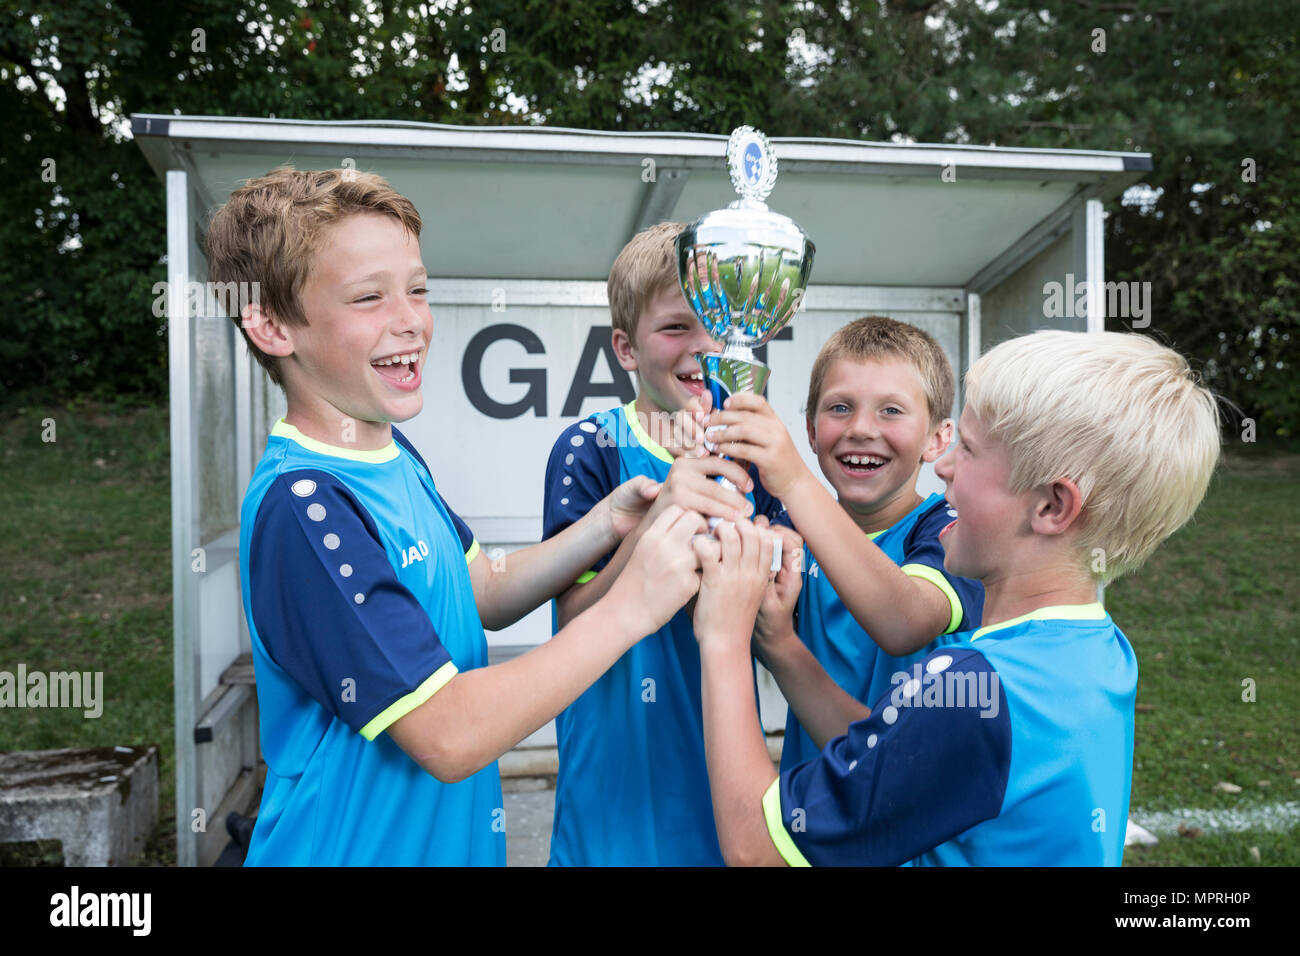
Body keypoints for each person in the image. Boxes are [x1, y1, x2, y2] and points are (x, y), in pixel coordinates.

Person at [209, 167, 706, 865]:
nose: (408, 318)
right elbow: (447, 735)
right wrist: (633, 606)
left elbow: (483, 590)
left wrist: (609, 523)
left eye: (417, 289)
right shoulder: (304, 505)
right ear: (271, 325)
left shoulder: (391, 453)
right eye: (367, 297)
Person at [692, 330, 1220, 865]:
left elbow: (755, 851)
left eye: (968, 449)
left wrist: (722, 636)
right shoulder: (1098, 649)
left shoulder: (978, 689)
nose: (942, 466)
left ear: (1052, 506)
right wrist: (780, 643)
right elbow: (894, 759)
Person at [540, 221, 789, 866]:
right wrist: (661, 516)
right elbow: (571, 619)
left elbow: (774, 610)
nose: (702, 346)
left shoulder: (753, 452)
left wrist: (772, 556)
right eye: (677, 326)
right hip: (613, 769)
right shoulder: (591, 449)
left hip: (716, 759)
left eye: (718, 324)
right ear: (626, 347)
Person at [705, 316, 983, 769]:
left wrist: (793, 478)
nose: (860, 429)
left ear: (937, 439)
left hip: (913, 826)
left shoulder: (952, 531)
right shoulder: (789, 529)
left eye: (891, 410)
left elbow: (903, 623)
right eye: (839, 408)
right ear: (811, 431)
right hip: (810, 819)